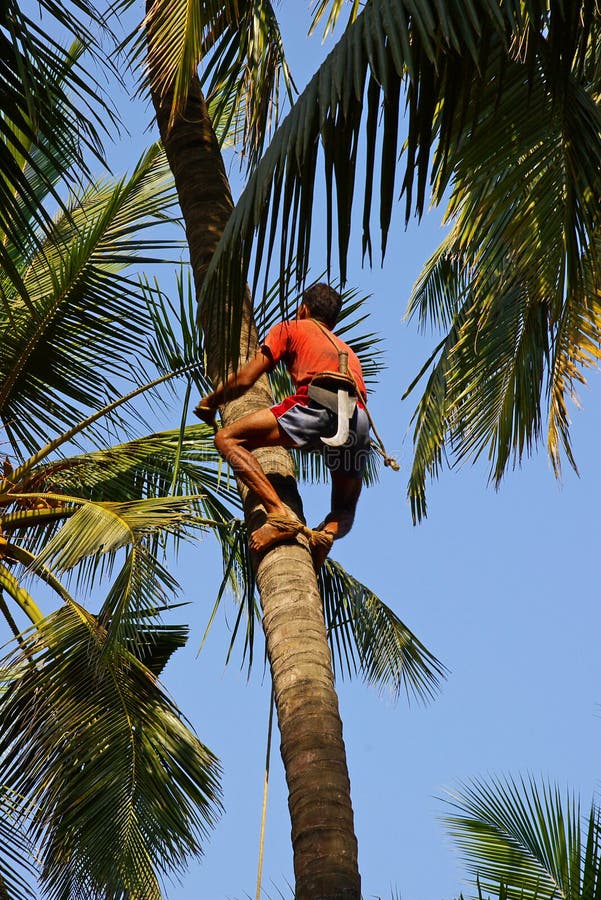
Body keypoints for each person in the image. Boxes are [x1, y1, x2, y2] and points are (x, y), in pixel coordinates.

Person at [194, 283, 370, 567]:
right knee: (344, 507)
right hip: (358, 420)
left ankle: (279, 515)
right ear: (333, 322)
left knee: (227, 440)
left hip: (319, 403)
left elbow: (246, 379)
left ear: (303, 309)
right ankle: (325, 535)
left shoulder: (290, 328)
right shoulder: (350, 354)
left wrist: (211, 402)